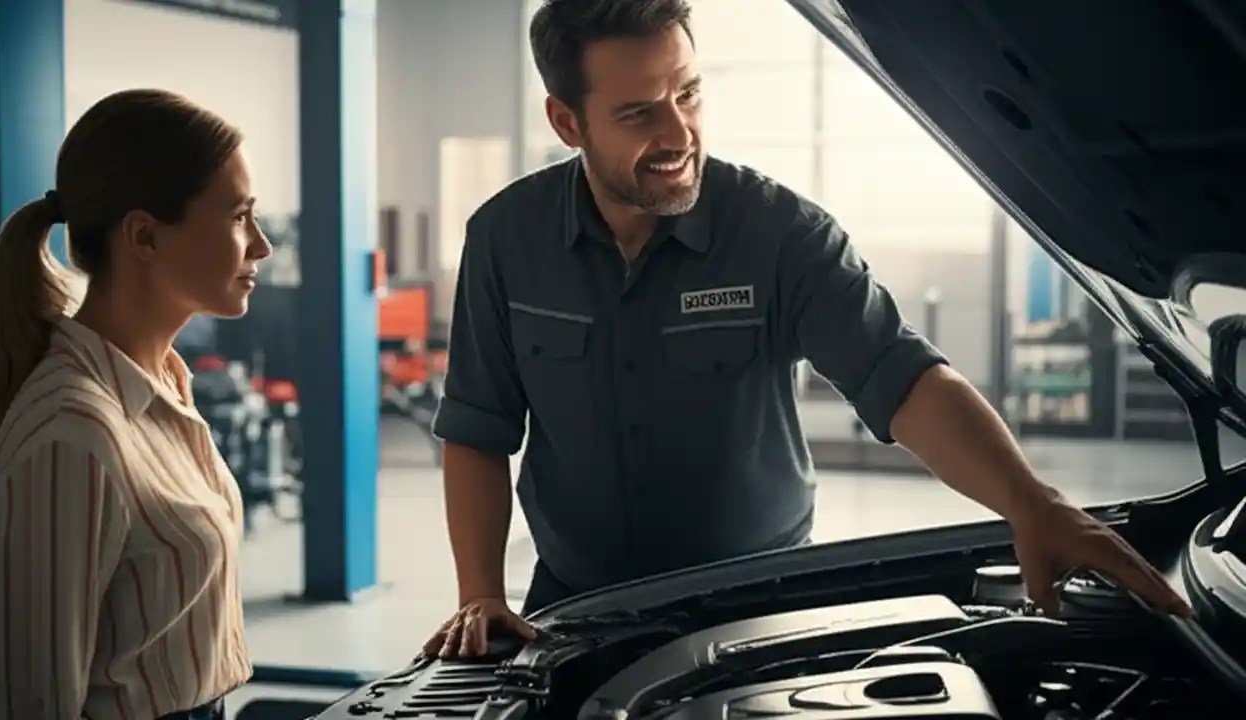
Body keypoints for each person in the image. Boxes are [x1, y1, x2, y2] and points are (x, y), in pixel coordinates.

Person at [422, 0, 1191, 659]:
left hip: (756, 603)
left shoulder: (780, 234)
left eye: (688, 93)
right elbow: (478, 429)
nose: (679, 132)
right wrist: (479, 592)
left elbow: (900, 378)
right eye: (638, 112)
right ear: (567, 122)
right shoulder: (504, 240)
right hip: (574, 606)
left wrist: (1030, 502)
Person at [0, 88, 271, 720]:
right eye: (239, 216)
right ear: (143, 236)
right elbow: (33, 705)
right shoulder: (69, 434)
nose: (261, 245)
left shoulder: (164, 386)